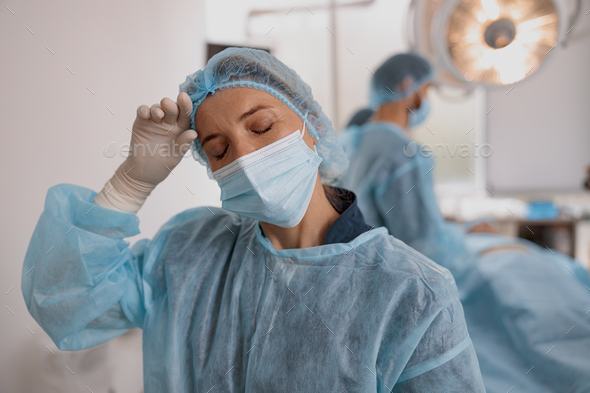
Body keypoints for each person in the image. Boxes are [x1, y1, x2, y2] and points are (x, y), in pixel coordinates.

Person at [21, 48, 485, 392]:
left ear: (311, 126)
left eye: (261, 127)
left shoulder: (412, 292)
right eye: (219, 149)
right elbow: (66, 302)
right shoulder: (187, 250)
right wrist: (130, 184)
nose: (243, 156)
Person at [338, 52, 590, 392]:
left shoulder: (348, 143)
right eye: (426, 90)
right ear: (409, 87)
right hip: (459, 269)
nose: (426, 100)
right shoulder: (400, 151)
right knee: (524, 321)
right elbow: (426, 246)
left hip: (373, 281)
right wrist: (468, 232)